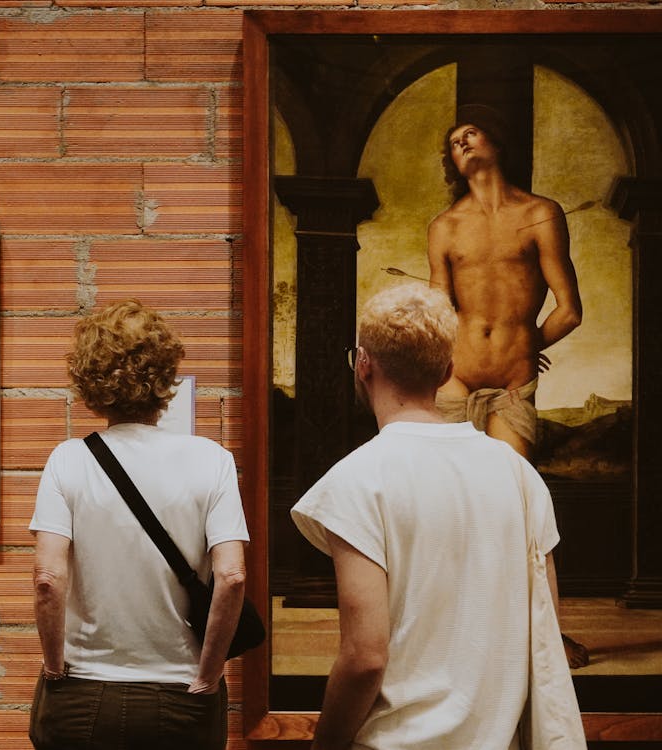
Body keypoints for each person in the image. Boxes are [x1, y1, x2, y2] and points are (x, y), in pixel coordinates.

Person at [291, 283, 567, 750]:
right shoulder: (518, 475)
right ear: (447, 371)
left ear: (362, 363)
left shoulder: (357, 481)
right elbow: (545, 631)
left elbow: (364, 657)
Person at [29, 299, 249, 750]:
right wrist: (207, 677)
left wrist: (54, 669)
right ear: (165, 372)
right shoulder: (213, 461)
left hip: (85, 693)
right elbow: (231, 575)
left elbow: (48, 578)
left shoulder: (67, 461)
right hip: (182, 692)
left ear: (89, 376)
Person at [427, 103, 583, 460]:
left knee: (509, 493)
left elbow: (570, 311)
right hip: (455, 376)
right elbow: (437, 311)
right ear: (452, 162)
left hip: (514, 382)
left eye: (471, 134)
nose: (462, 144)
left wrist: (526, 345)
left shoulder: (541, 214)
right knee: (448, 488)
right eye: (454, 142)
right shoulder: (444, 227)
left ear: (495, 144)